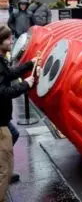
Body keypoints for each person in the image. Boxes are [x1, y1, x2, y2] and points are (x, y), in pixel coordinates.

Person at [0, 25, 37, 202]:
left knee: (13, 133)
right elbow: (4, 92)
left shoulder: (1, 60)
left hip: (3, 118)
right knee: (5, 169)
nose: (11, 41)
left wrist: (29, 64)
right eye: (8, 39)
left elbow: (9, 73)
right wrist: (26, 85)